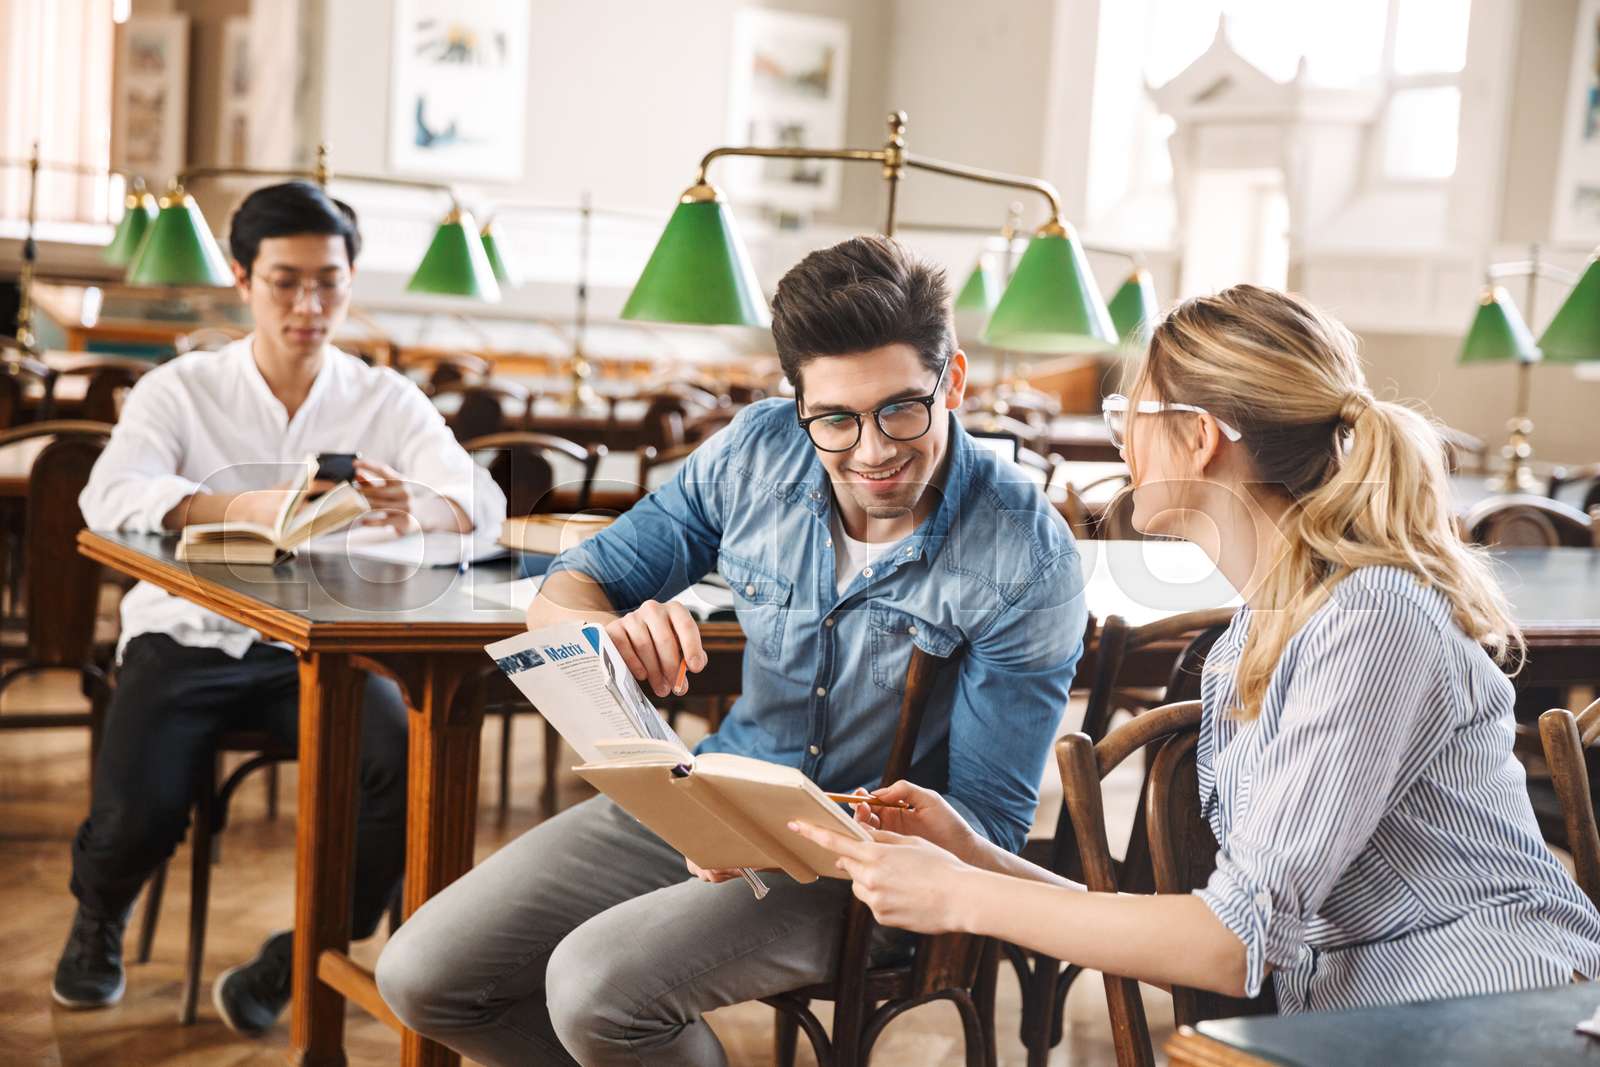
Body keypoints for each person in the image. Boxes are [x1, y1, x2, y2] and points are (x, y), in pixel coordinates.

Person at [375, 235, 1087, 1065]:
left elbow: (986, 829)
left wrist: (833, 832)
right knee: (425, 975)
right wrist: (604, 639)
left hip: (864, 867)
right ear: (798, 408)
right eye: (834, 419)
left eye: (902, 408)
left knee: (593, 987)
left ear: (952, 380)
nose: (873, 450)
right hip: (706, 798)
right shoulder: (757, 453)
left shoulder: (1025, 551)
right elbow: (569, 586)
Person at [791, 284, 1600, 1013]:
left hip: (1498, 1007)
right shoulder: (1257, 632)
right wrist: (974, 861)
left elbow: (1233, 944)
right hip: (1375, 1019)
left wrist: (961, 898)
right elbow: (1212, 929)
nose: (1121, 446)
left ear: (1200, 437)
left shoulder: (1372, 618)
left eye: (1129, 420)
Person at [52, 181, 505, 1036]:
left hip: (329, 646)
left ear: (351, 279)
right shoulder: (180, 389)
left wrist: (421, 504)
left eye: (329, 281)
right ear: (242, 278)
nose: (310, 304)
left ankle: (300, 952)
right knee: (137, 810)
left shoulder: (385, 398)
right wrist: (237, 507)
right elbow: (106, 494)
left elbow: (478, 501)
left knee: (399, 775)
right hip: (188, 634)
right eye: (286, 281)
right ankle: (98, 917)